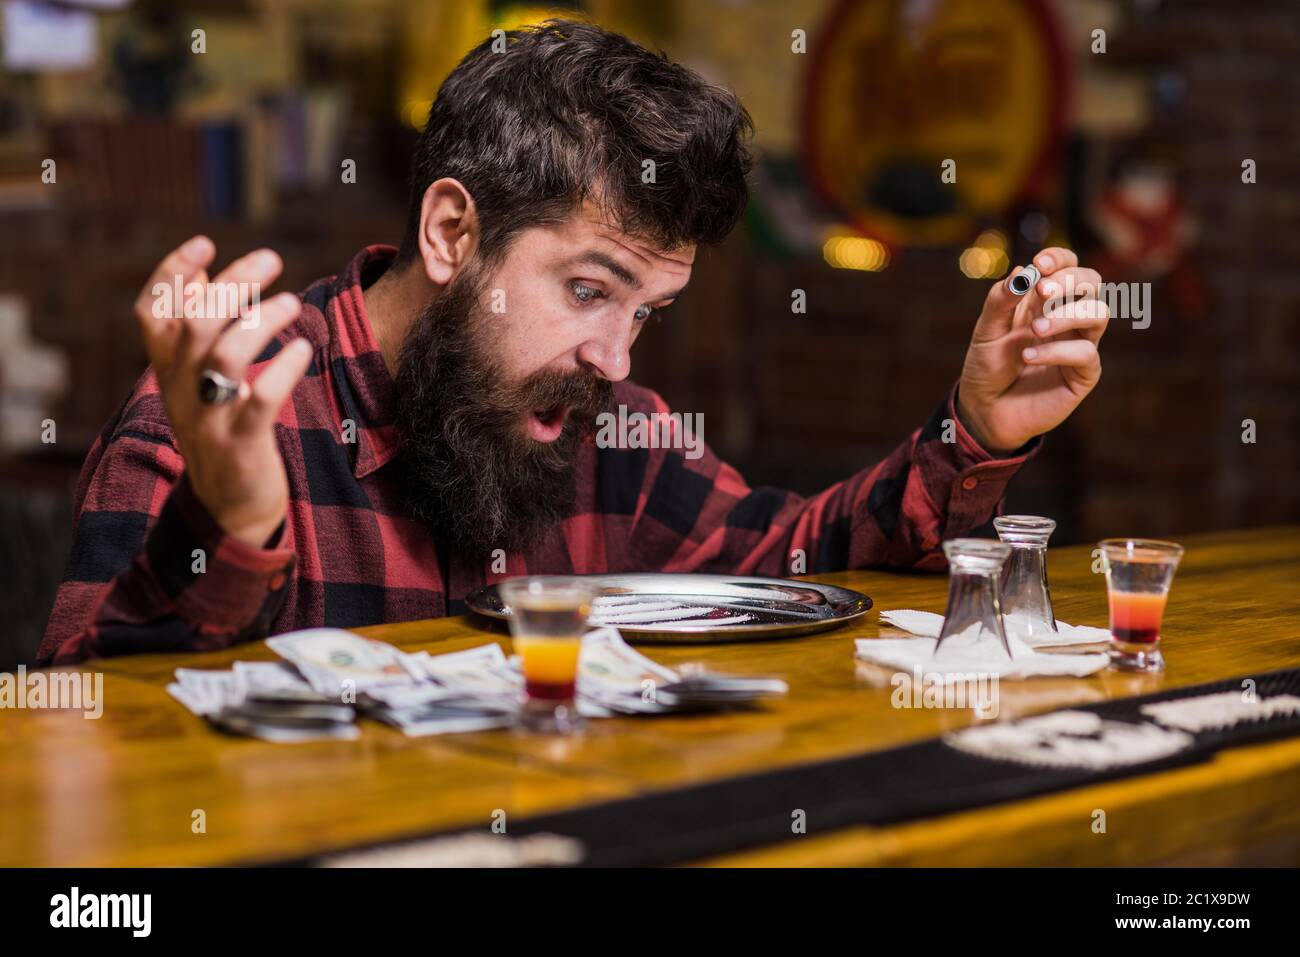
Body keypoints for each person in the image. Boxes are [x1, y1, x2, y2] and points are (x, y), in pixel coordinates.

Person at [39, 21, 1108, 664]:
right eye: (590, 289)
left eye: (647, 310)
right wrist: (230, 526)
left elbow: (794, 567)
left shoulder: (610, 431)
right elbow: (80, 741)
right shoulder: (224, 425)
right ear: (453, 231)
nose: (618, 359)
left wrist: (970, 431)